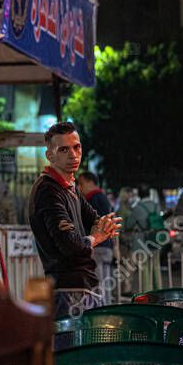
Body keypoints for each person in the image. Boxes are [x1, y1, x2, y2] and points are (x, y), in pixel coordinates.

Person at [27, 122, 120, 321]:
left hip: (83, 286)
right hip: (68, 291)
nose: (73, 155)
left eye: (76, 147)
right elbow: (70, 245)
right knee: (74, 350)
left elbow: (96, 219)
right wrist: (95, 237)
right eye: (64, 149)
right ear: (50, 156)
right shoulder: (48, 190)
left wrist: (99, 229)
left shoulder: (70, 186)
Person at [78, 171, 115, 302]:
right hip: (105, 247)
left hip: (98, 246)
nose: (79, 188)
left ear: (90, 182)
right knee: (105, 283)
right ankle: (107, 310)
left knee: (99, 285)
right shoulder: (103, 198)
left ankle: (102, 314)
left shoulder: (93, 199)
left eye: (81, 183)